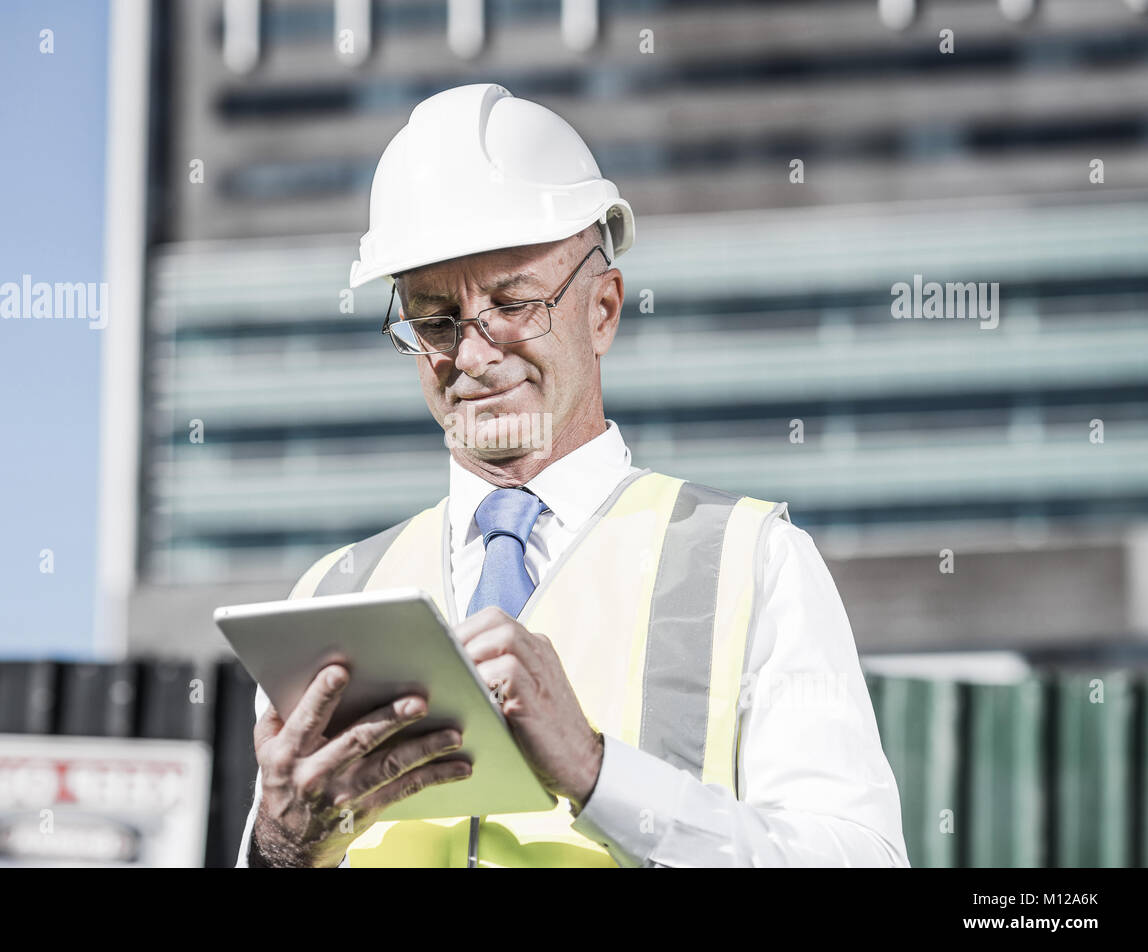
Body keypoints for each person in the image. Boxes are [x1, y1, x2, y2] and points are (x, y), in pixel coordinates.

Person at [238, 83, 908, 868]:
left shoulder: (752, 564)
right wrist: (279, 847)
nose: (475, 355)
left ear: (604, 309)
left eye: (513, 303)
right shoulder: (332, 595)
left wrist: (597, 772)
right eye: (434, 320)